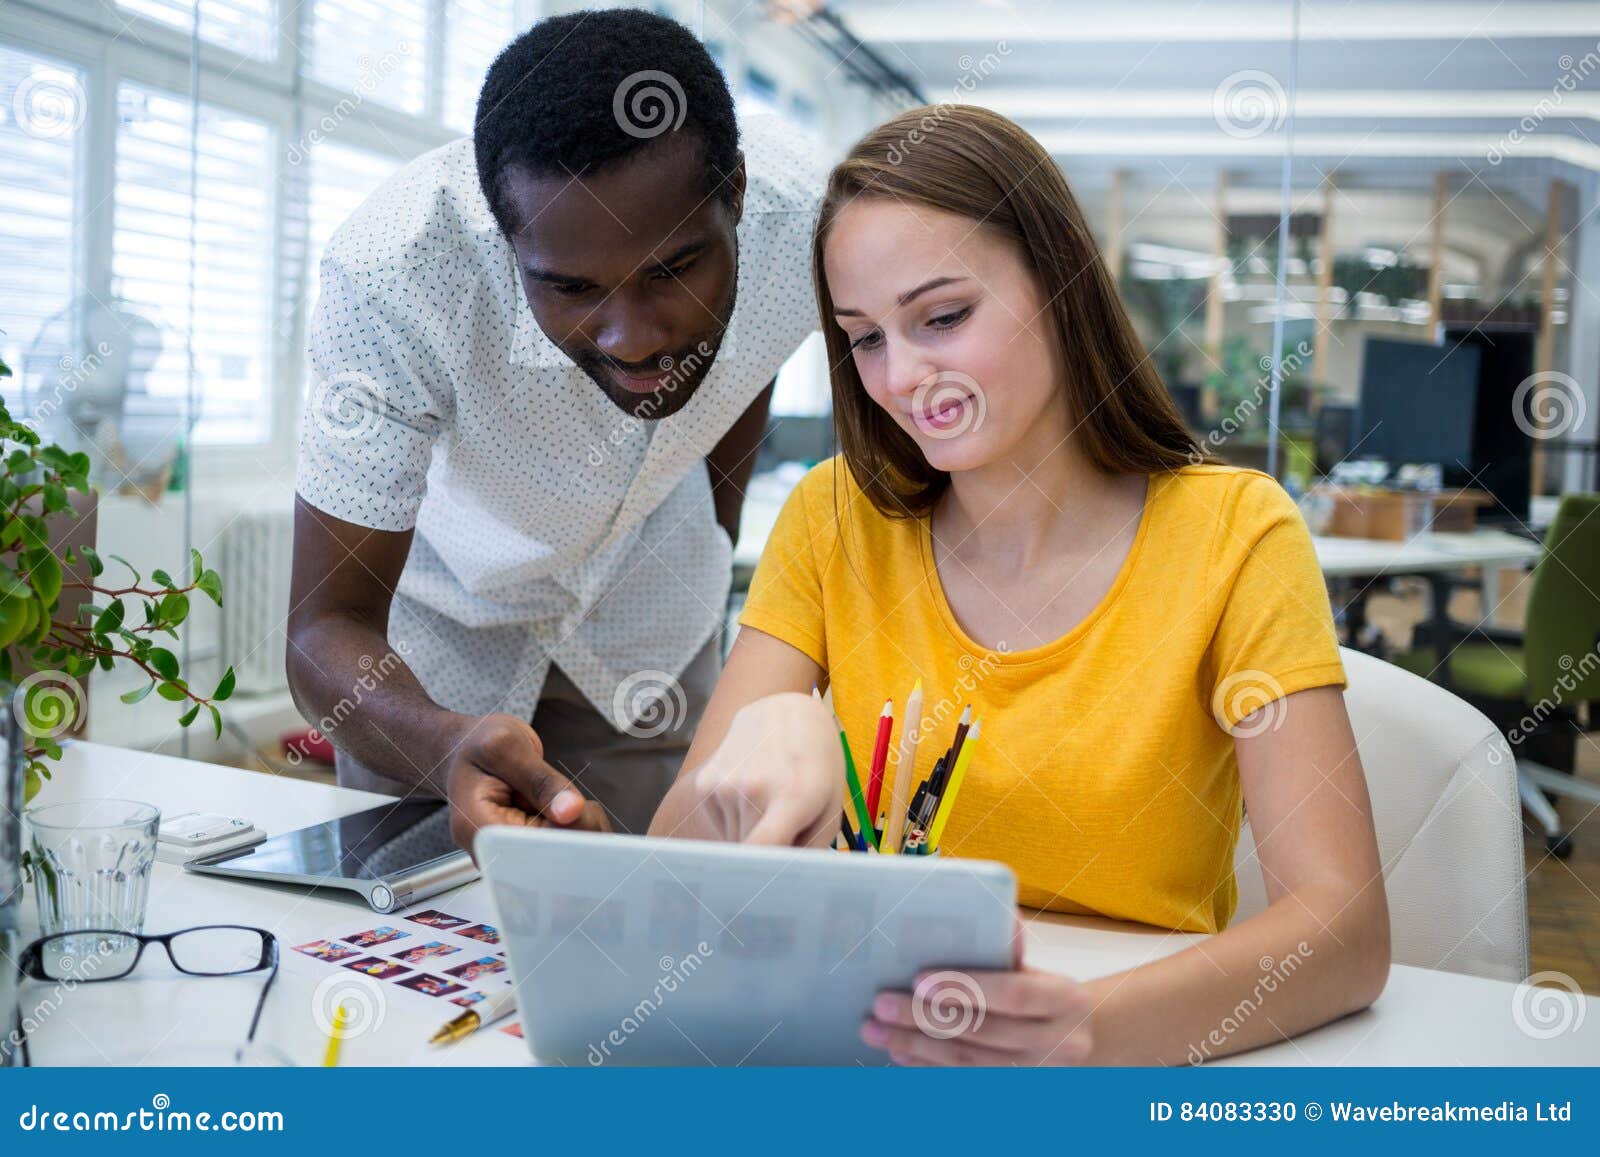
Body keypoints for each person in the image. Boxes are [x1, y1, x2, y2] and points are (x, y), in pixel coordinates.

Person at [649, 105, 1390, 1065]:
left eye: (944, 317)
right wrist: (752, 749)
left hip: (1123, 1053)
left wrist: (1089, 1025)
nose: (905, 376)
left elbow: (1345, 931)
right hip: (872, 1046)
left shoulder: (1233, 535)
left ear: (1061, 281)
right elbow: (666, 877)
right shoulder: (837, 518)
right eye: (865, 338)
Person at [288, 9, 821, 850]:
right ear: (505, 244)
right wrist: (443, 745)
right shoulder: (393, 277)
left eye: (673, 269)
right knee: (426, 950)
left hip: (651, 627)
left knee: (664, 920)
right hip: (435, 658)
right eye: (572, 289)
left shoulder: (808, 219)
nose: (635, 336)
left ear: (740, 195)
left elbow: (764, 345)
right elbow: (322, 630)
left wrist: (716, 538)